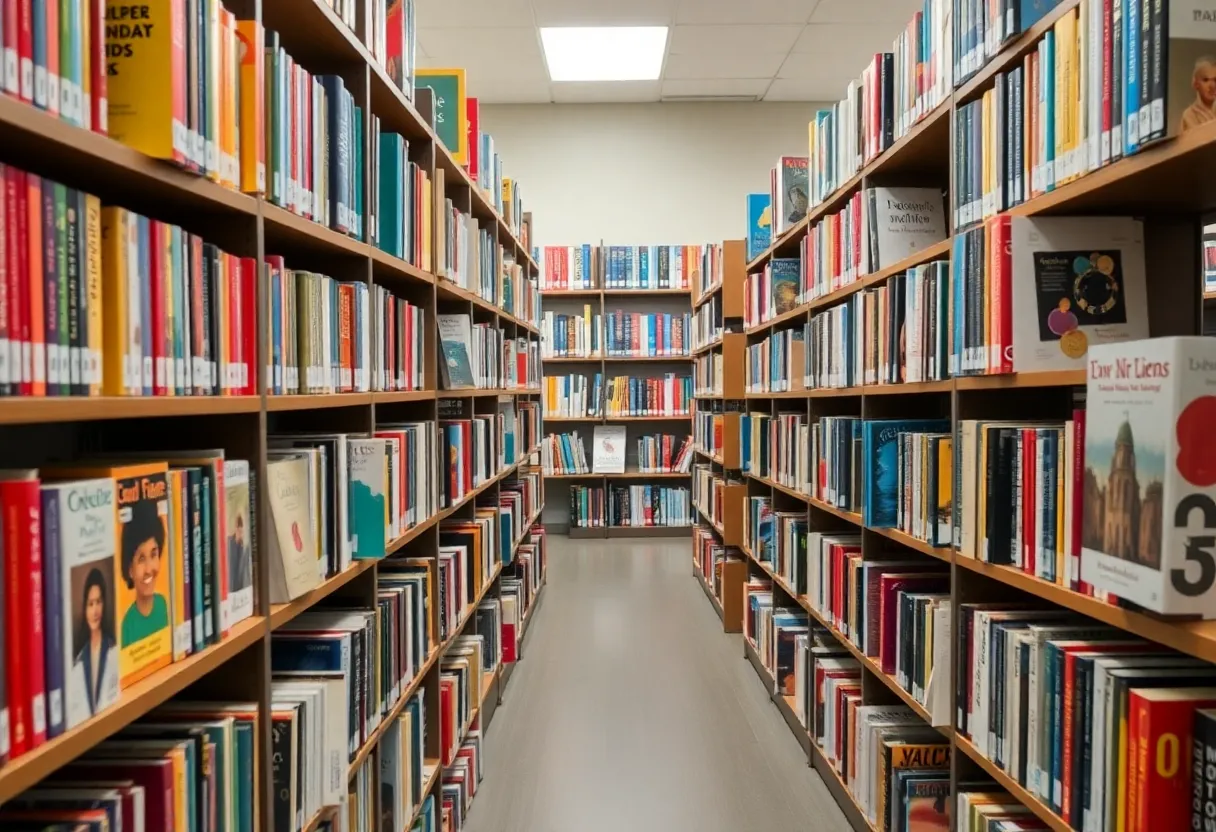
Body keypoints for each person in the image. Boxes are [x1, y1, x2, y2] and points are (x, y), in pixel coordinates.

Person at [120, 494, 169, 646]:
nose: (149, 569)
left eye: (153, 554)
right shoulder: (128, 625)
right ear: (130, 569)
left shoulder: (163, 605)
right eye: (141, 559)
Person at [70, 567, 119, 717]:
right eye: (90, 604)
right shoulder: (78, 661)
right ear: (85, 608)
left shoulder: (114, 649)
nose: (95, 611)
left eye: (98, 602)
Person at [1181, 57, 1216, 133]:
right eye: (1206, 80)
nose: (1212, 86)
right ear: (1196, 84)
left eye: (1215, 80)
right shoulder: (1189, 115)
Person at [227, 510, 251, 593]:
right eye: (238, 530)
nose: (240, 533)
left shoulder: (243, 548)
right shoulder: (229, 543)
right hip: (231, 586)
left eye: (241, 531)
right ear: (236, 528)